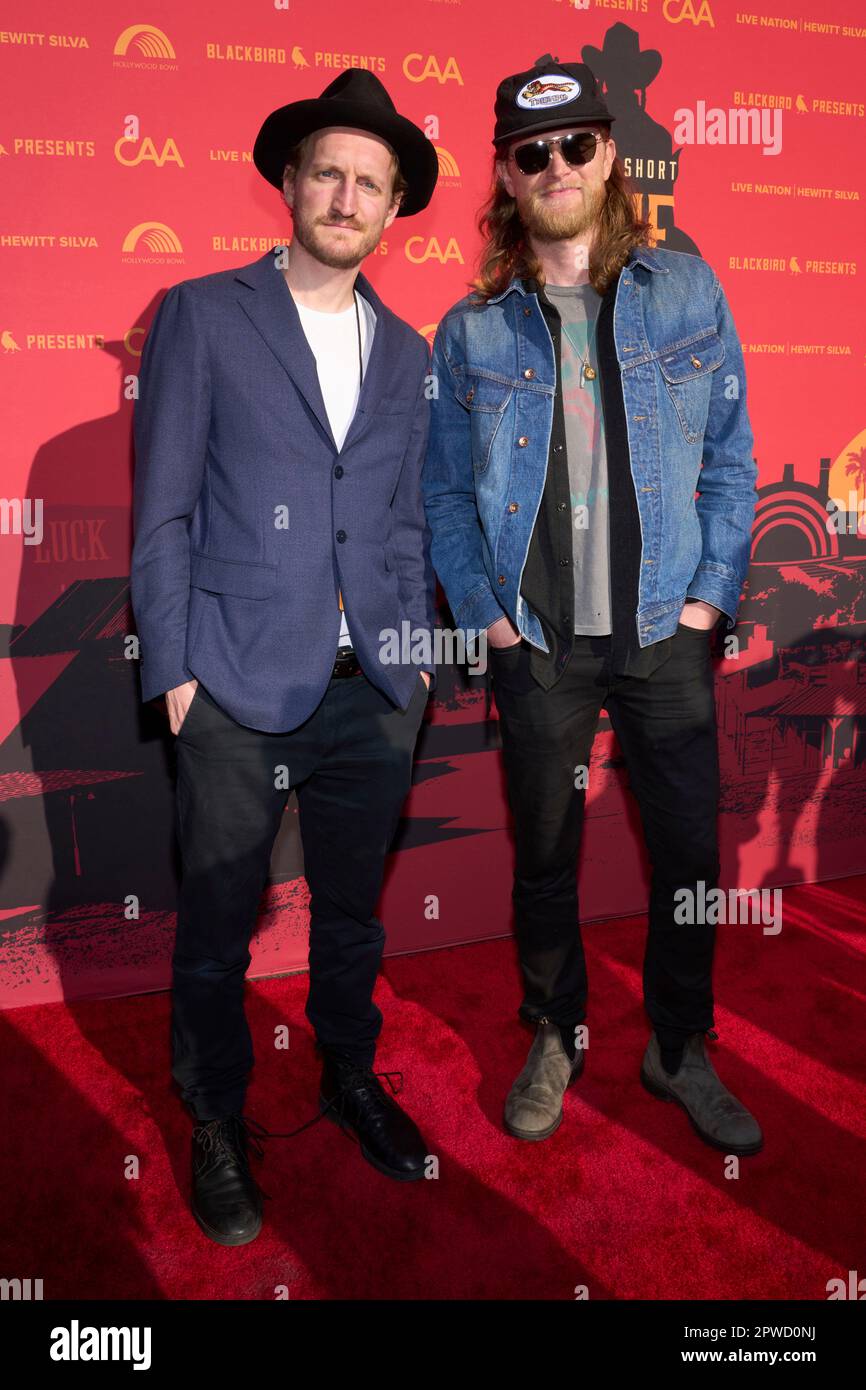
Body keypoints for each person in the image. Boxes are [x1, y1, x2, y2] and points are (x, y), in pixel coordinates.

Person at [423, 54, 763, 1154]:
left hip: (667, 633)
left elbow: (727, 457)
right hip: (540, 641)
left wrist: (710, 600)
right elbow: (440, 491)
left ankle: (676, 1045)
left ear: (610, 156)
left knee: (687, 859)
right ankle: (555, 1029)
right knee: (545, 852)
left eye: (574, 143)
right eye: (531, 152)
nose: (555, 164)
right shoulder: (469, 330)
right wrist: (487, 613)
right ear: (507, 177)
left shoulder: (686, 291)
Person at [131, 70, 440, 1245]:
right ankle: (214, 1114)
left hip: (373, 697)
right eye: (327, 170)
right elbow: (160, 508)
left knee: (353, 919)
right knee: (215, 929)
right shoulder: (205, 314)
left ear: (391, 204)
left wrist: (410, 666)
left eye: (369, 180)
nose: (344, 194)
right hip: (234, 683)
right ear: (291, 181)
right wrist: (175, 672)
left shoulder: (410, 352)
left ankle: (347, 1077)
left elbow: (405, 521)